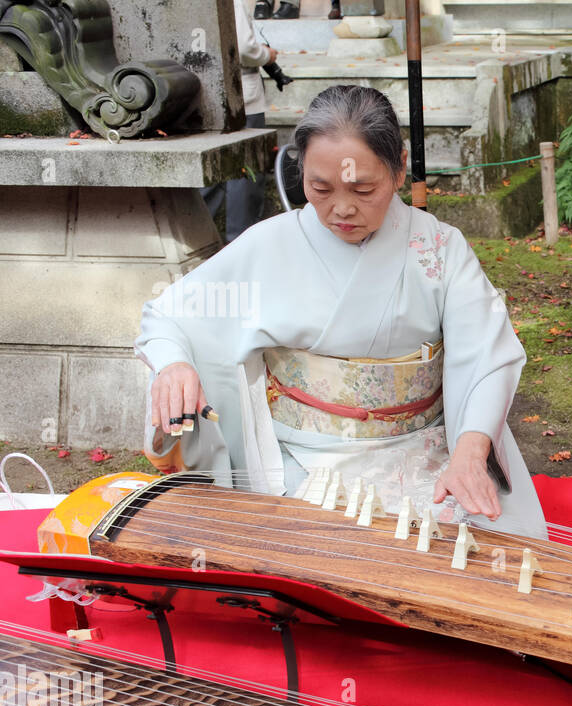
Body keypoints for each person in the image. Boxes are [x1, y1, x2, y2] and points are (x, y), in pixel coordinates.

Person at [136, 84, 547, 538]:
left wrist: (470, 454)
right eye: (321, 188)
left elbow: (489, 354)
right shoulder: (271, 245)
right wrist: (174, 364)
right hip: (301, 458)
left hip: (424, 449)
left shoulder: (438, 249)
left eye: (363, 188)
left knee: (480, 555)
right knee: (319, 557)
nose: (342, 208)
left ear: (400, 169)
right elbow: (169, 315)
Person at [203, 0, 277, 243]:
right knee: (247, 169)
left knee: (209, 168)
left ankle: (201, 234)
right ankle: (241, 239)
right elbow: (244, 47)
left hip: (206, 94)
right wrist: (266, 55)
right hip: (242, 94)